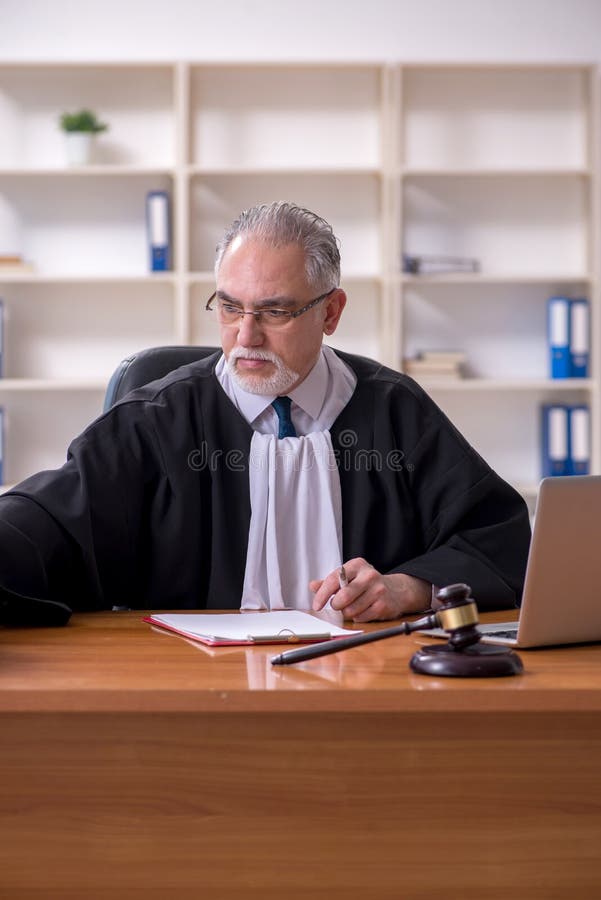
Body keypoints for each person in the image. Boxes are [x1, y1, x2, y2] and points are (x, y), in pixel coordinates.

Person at [0, 201, 530, 628]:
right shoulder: (154, 421)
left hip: (367, 683)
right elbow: (46, 524)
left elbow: (498, 538)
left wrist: (409, 586)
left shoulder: (395, 411)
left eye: (274, 312)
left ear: (331, 312)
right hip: (190, 691)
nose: (246, 336)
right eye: (230, 308)